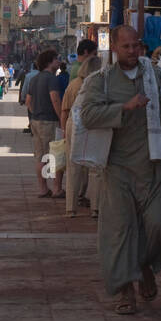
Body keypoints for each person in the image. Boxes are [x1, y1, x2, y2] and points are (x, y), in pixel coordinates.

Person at [79, 24, 161, 315]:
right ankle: (125, 289)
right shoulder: (100, 81)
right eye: (126, 47)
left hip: (153, 164)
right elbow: (89, 115)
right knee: (120, 232)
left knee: (158, 224)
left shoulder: (157, 75)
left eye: (136, 46)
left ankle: (146, 265)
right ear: (114, 48)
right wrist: (125, 107)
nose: (132, 51)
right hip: (116, 167)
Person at [61, 53, 102, 218]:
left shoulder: (73, 84)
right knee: (96, 167)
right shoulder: (100, 84)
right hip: (94, 124)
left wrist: (64, 131)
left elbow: (64, 110)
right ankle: (95, 207)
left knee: (73, 167)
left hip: (74, 124)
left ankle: (70, 208)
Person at [27, 48, 63, 198]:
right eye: (56, 59)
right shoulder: (52, 79)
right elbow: (55, 99)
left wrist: (35, 112)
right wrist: (62, 118)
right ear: (50, 62)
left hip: (36, 120)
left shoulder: (34, 78)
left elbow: (28, 101)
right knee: (55, 155)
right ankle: (56, 188)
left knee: (40, 156)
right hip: (50, 121)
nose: (59, 61)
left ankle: (43, 188)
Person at [18, 59, 40, 136]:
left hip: (30, 98)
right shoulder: (41, 74)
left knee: (31, 113)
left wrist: (22, 98)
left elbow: (24, 88)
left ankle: (32, 129)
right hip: (40, 98)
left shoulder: (28, 76)